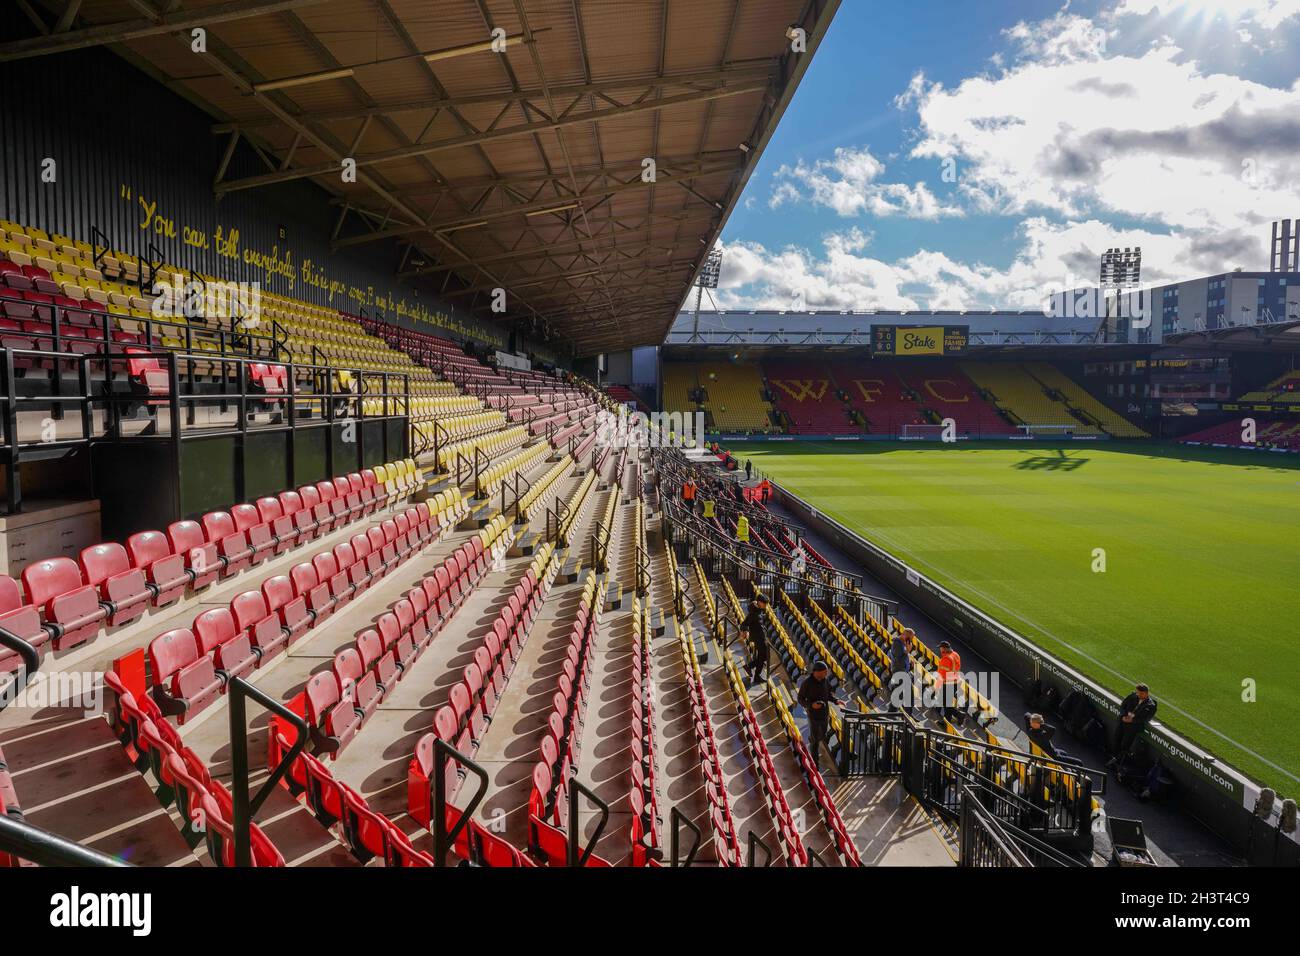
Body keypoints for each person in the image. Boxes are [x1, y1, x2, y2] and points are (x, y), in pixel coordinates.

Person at [1108, 683, 1157, 770]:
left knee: (1125, 745)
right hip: (1123, 722)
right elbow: (1123, 706)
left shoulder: (1151, 705)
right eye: (1137, 693)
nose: (1138, 695)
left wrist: (1132, 720)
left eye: (1140, 693)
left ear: (1146, 693)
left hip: (1133, 727)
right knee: (1116, 739)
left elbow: (1146, 719)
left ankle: (1119, 763)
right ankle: (1113, 758)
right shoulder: (1133, 696)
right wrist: (1123, 716)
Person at [798, 660, 834, 770]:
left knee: (822, 735)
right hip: (813, 715)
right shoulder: (807, 683)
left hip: (824, 714)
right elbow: (800, 699)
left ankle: (813, 740)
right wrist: (811, 705)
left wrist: (836, 701)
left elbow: (829, 695)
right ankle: (814, 764)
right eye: (824, 672)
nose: (826, 674)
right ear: (817, 672)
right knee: (815, 741)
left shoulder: (825, 680)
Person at [741, 593, 770, 686]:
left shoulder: (758, 610)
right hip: (759, 638)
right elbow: (744, 623)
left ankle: (756, 674)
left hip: (761, 637)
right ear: (759, 602)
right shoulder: (754, 613)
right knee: (765, 656)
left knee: (762, 657)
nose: (765, 605)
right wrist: (745, 631)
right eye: (764, 603)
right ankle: (750, 667)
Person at [936, 640, 964, 725]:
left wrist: (938, 683)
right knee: (946, 702)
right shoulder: (956, 654)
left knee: (945, 703)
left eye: (940, 648)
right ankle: (946, 721)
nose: (940, 650)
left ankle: (958, 714)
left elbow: (942, 673)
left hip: (947, 683)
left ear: (944, 648)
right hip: (956, 681)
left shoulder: (946, 658)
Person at [888, 628, 915, 713]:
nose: (911, 640)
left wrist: (909, 661)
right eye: (910, 638)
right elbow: (898, 657)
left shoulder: (902, 643)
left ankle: (908, 714)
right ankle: (892, 713)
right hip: (899, 671)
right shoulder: (897, 643)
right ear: (905, 635)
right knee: (900, 694)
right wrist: (907, 651)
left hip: (904, 671)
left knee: (907, 694)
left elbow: (903, 656)